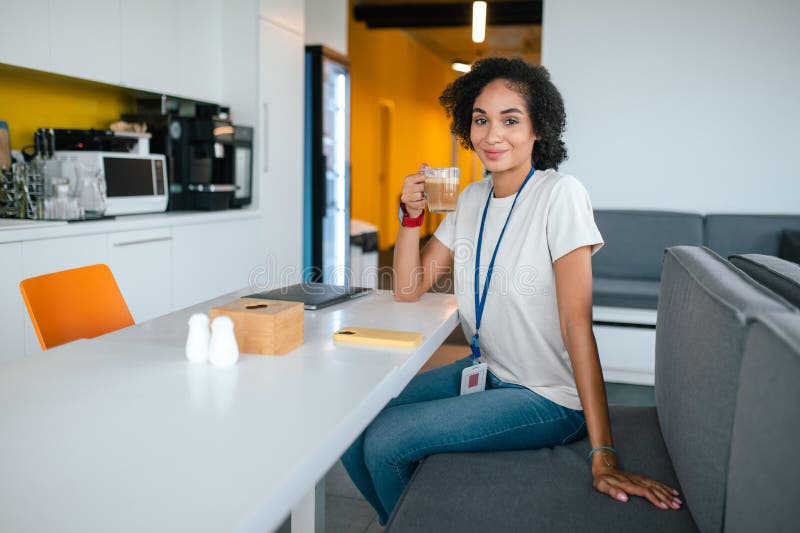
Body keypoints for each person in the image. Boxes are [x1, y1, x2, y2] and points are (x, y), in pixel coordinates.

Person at [341, 57, 682, 525]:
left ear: (538, 128)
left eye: (510, 119)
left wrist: (603, 453)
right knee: (352, 423)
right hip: (488, 370)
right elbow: (407, 288)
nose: (491, 134)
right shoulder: (471, 198)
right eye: (480, 119)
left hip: (547, 396)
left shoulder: (560, 195)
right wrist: (410, 217)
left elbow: (576, 324)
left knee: (386, 440)